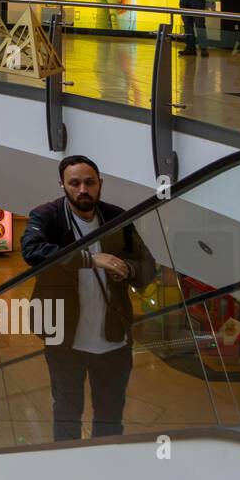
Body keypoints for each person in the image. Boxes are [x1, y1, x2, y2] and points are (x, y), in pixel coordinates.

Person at [21, 155, 155, 442]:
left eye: (89, 182)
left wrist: (127, 268)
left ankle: (104, 475)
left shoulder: (117, 218)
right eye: (75, 183)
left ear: (99, 184)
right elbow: (32, 251)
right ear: (63, 185)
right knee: (67, 417)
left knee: (110, 420)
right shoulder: (47, 216)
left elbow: (148, 267)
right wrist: (91, 259)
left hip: (114, 342)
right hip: (65, 342)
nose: (83, 189)